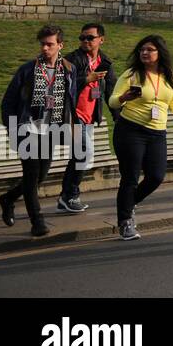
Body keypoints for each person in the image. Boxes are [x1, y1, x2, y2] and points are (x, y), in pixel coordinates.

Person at [109, 35, 173, 240]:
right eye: (142, 50)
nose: (144, 53)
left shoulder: (169, 77)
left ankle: (128, 204)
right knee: (130, 178)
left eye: (149, 49)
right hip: (130, 130)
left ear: (160, 53)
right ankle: (125, 222)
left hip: (157, 133)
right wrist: (124, 98)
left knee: (156, 176)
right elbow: (113, 101)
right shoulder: (131, 74)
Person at [0, 25, 78, 237]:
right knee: (32, 174)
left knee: (40, 176)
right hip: (28, 129)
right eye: (42, 44)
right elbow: (8, 102)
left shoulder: (69, 70)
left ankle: (8, 198)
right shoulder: (27, 70)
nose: (45, 48)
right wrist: (13, 129)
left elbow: (70, 101)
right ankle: (37, 221)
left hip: (51, 131)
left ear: (60, 45)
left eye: (50, 44)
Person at [57, 22, 116, 213]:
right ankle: (71, 195)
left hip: (90, 117)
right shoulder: (71, 60)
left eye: (90, 38)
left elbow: (111, 92)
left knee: (80, 156)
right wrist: (86, 79)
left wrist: (118, 117)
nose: (85, 41)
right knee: (83, 152)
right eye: (82, 38)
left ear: (101, 39)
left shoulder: (105, 62)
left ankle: (65, 197)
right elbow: (61, 86)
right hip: (73, 116)